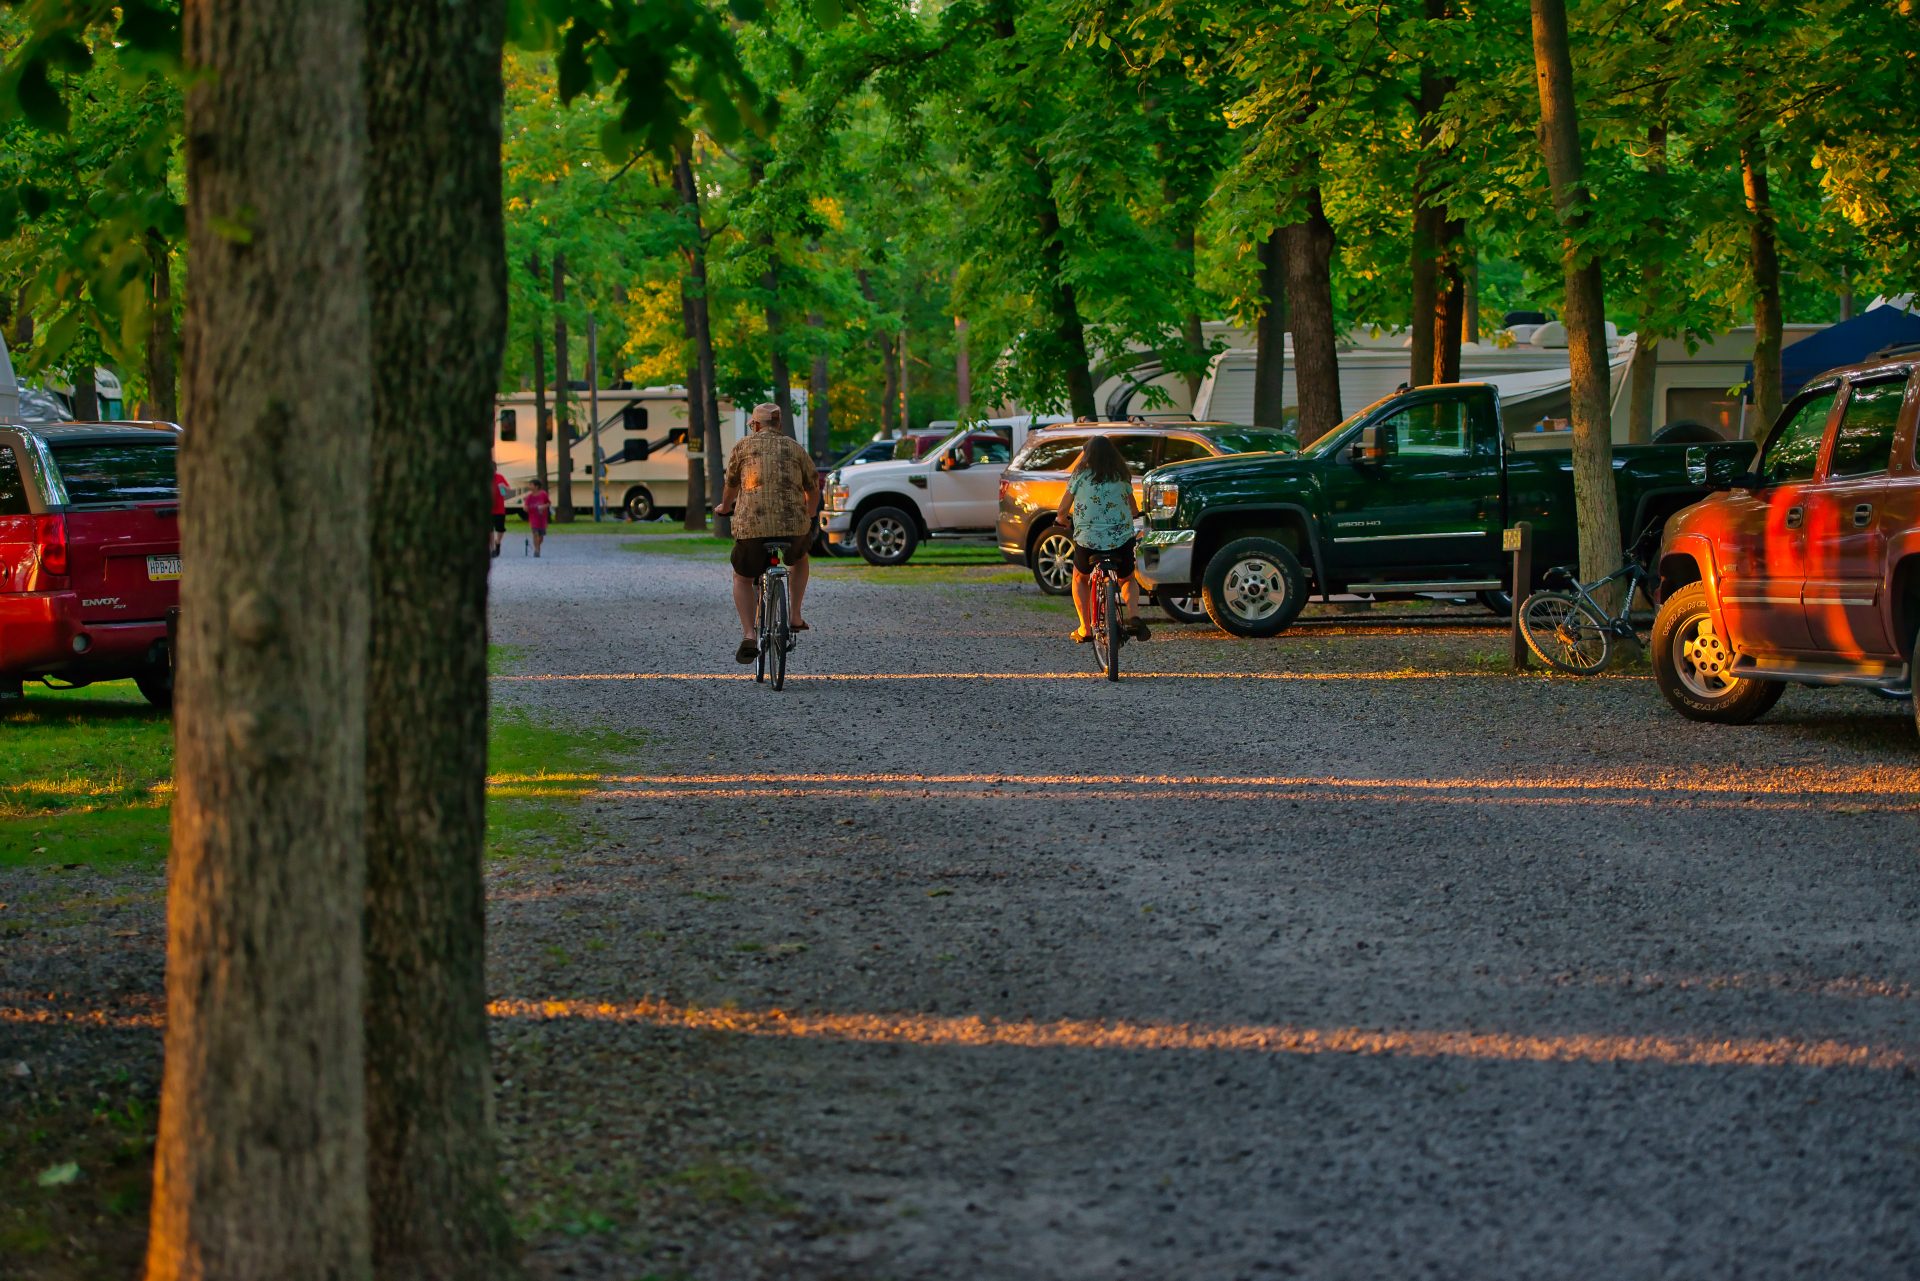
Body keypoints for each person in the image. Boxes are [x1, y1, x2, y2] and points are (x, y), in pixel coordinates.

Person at [713, 403, 819, 664]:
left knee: (741, 576)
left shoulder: (743, 447)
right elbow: (813, 489)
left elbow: (731, 486)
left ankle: (749, 634)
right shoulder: (795, 448)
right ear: (779, 424)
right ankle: (794, 614)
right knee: (800, 558)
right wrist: (810, 513)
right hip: (793, 526)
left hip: (752, 528)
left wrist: (724, 507)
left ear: (756, 425)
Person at [1055, 434, 1148, 644]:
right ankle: (1134, 616)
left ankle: (1085, 628)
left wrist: (1062, 519)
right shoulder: (1121, 475)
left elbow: (1063, 509)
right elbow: (1133, 508)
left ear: (1087, 454)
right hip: (1120, 539)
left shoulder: (1080, 474)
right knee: (1127, 578)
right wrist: (1134, 514)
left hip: (1088, 540)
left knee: (1080, 578)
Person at [525, 477, 552, 556]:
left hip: (542, 519)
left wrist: (543, 506)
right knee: (535, 534)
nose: (529, 486)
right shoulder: (529, 496)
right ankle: (537, 550)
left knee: (541, 537)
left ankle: (538, 546)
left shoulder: (543, 494)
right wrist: (525, 508)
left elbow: (549, 503)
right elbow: (526, 506)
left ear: (536, 486)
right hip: (533, 518)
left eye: (531, 485)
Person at [490, 466, 510, 557]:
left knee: (500, 529)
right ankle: (492, 549)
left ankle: (498, 542)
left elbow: (505, 492)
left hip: (499, 509)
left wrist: (504, 487)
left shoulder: (500, 477)